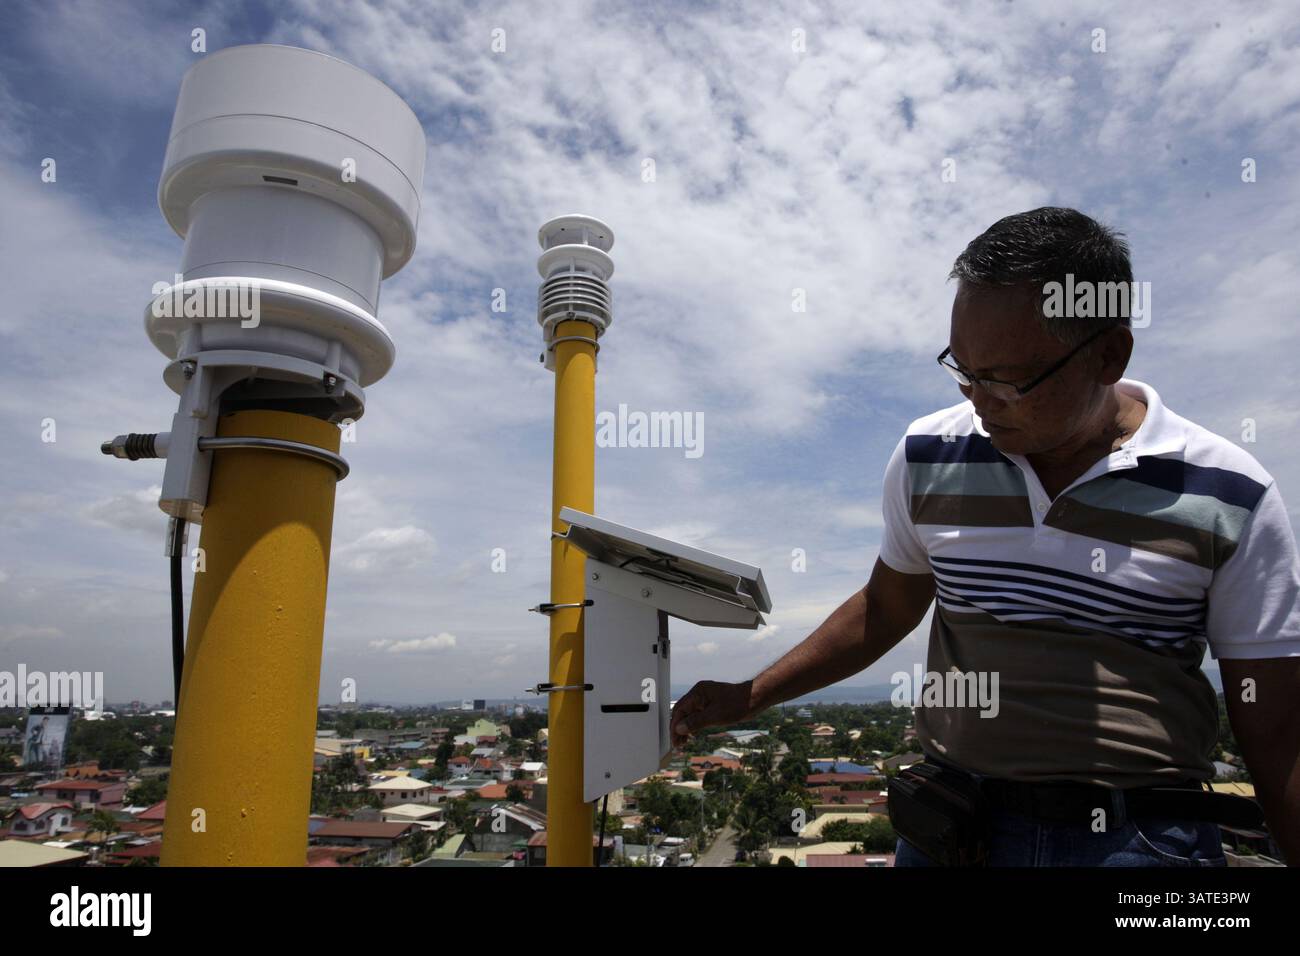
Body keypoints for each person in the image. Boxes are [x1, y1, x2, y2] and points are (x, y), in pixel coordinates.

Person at [669, 207, 1300, 866]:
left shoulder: (1228, 494)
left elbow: (1277, 731)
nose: (977, 398)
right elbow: (885, 609)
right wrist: (755, 694)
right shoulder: (929, 456)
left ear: (1110, 354)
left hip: (1135, 841)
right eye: (962, 368)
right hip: (954, 830)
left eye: (1007, 378)